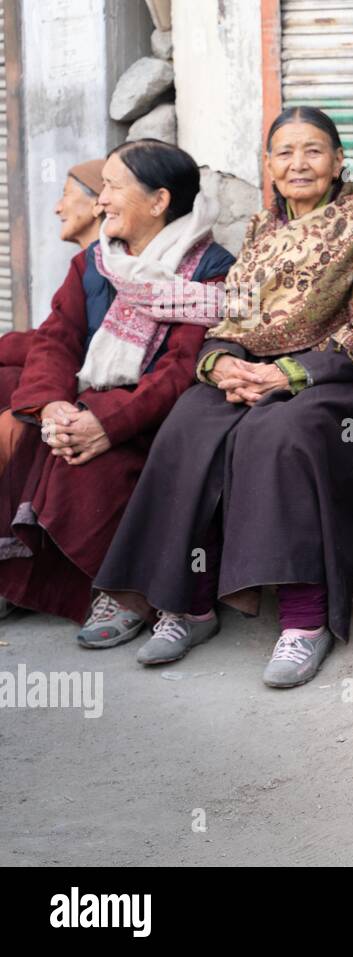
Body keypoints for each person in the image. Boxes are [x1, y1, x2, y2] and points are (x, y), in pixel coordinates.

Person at [93, 107, 353, 689]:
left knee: (276, 434)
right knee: (190, 422)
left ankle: (304, 620)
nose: (299, 163)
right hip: (254, 372)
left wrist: (291, 374)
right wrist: (221, 361)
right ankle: (188, 603)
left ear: (339, 160)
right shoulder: (261, 230)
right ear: (268, 165)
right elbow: (236, 317)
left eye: (314, 150)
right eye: (285, 152)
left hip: (340, 385)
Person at [0, 142, 234, 632]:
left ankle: (121, 592)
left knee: (90, 461)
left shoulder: (209, 270)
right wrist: (51, 407)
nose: (100, 200)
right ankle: (19, 579)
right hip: (89, 402)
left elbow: (183, 367)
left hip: (154, 415)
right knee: (31, 428)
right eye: (101, 186)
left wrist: (108, 423)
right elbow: (57, 338)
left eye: (113, 187)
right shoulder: (95, 261)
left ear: (158, 201)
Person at [0, 160, 106, 424]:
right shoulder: (86, 264)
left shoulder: (106, 267)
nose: (58, 207)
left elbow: (79, 341)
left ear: (97, 204)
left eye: (66, 194)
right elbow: (57, 332)